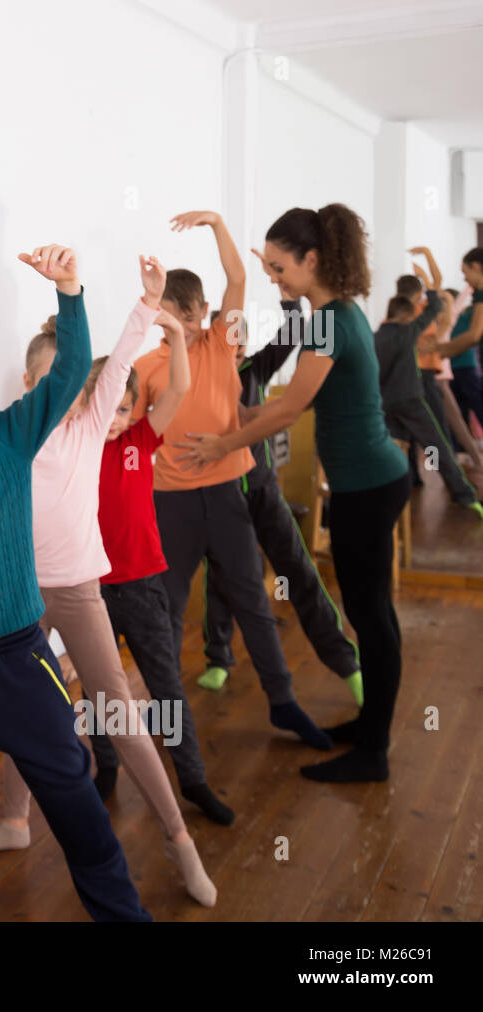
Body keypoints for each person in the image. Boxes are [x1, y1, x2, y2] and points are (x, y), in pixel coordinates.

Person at [0, 243, 150, 921]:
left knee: (78, 809)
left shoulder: (12, 433)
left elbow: (74, 367)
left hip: (23, 663)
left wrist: (71, 290)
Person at [0, 255, 216, 906]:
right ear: (29, 382)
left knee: (117, 712)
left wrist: (147, 307)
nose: (56, 393)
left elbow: (115, 363)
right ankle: (11, 820)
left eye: (64, 382)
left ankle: (180, 841)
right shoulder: (11, 435)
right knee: (24, 706)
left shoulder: (92, 427)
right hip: (22, 596)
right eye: (44, 382)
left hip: (82, 590)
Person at [176, 204, 408, 783]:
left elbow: (290, 407)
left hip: (369, 488)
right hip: (368, 483)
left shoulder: (332, 321)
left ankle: (374, 750)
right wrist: (245, 412)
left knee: (371, 616)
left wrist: (224, 441)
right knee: (369, 612)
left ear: (312, 259)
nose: (273, 278)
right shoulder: (333, 313)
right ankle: (370, 725)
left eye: (280, 268)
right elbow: (280, 399)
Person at [132, 210, 332, 766]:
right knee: (167, 608)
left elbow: (238, 280)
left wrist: (218, 224)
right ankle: (166, 712)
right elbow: (132, 425)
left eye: (182, 319)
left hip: (226, 493)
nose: (174, 329)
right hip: (169, 501)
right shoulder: (146, 366)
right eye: (164, 321)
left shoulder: (222, 344)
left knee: (251, 599)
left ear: (200, 313)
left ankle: (283, 699)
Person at [199, 272, 363, 700]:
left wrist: (288, 294)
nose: (232, 352)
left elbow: (293, 333)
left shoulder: (257, 368)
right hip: (221, 496)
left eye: (238, 345)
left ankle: (345, 661)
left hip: (264, 490)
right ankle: (218, 657)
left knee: (298, 571)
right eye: (224, 343)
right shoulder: (197, 380)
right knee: (222, 579)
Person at [375, 251, 481, 516]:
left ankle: (408, 483)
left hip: (388, 401)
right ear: (409, 311)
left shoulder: (376, 335)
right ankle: (462, 493)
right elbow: (435, 305)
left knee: (400, 446)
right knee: (434, 443)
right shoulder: (411, 328)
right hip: (415, 395)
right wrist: (430, 279)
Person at [436, 248, 483, 440]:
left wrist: (437, 352)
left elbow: (473, 335)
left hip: (464, 368)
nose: (464, 278)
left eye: (465, 272)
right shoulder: (477, 296)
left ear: (476, 267)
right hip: (452, 371)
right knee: (456, 415)